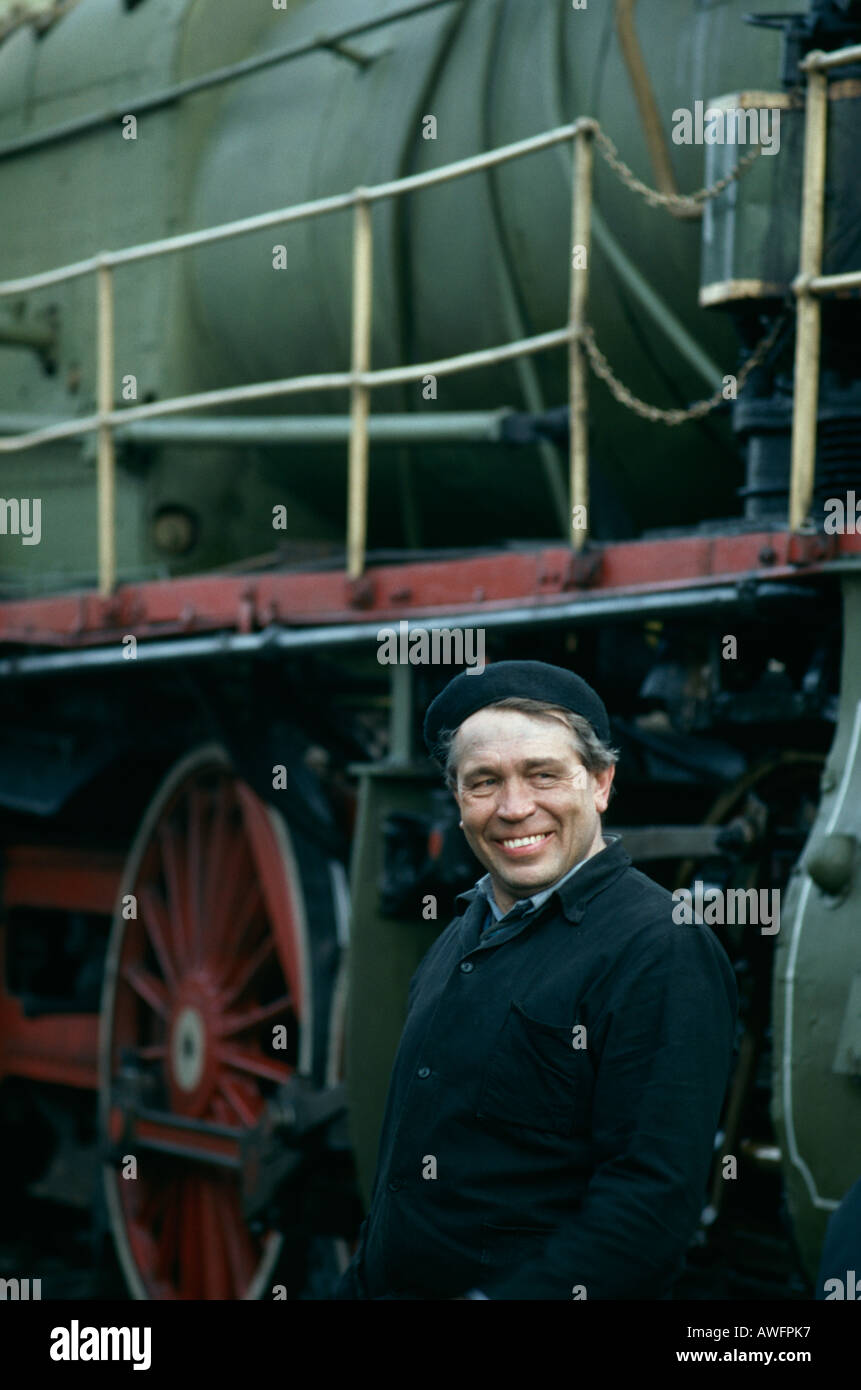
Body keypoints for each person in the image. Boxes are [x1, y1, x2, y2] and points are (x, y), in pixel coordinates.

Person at [334, 660, 738, 1299]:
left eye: (543, 775)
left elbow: (648, 1209)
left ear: (601, 783)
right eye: (484, 782)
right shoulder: (460, 934)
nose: (515, 808)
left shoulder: (663, 946)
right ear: (458, 800)